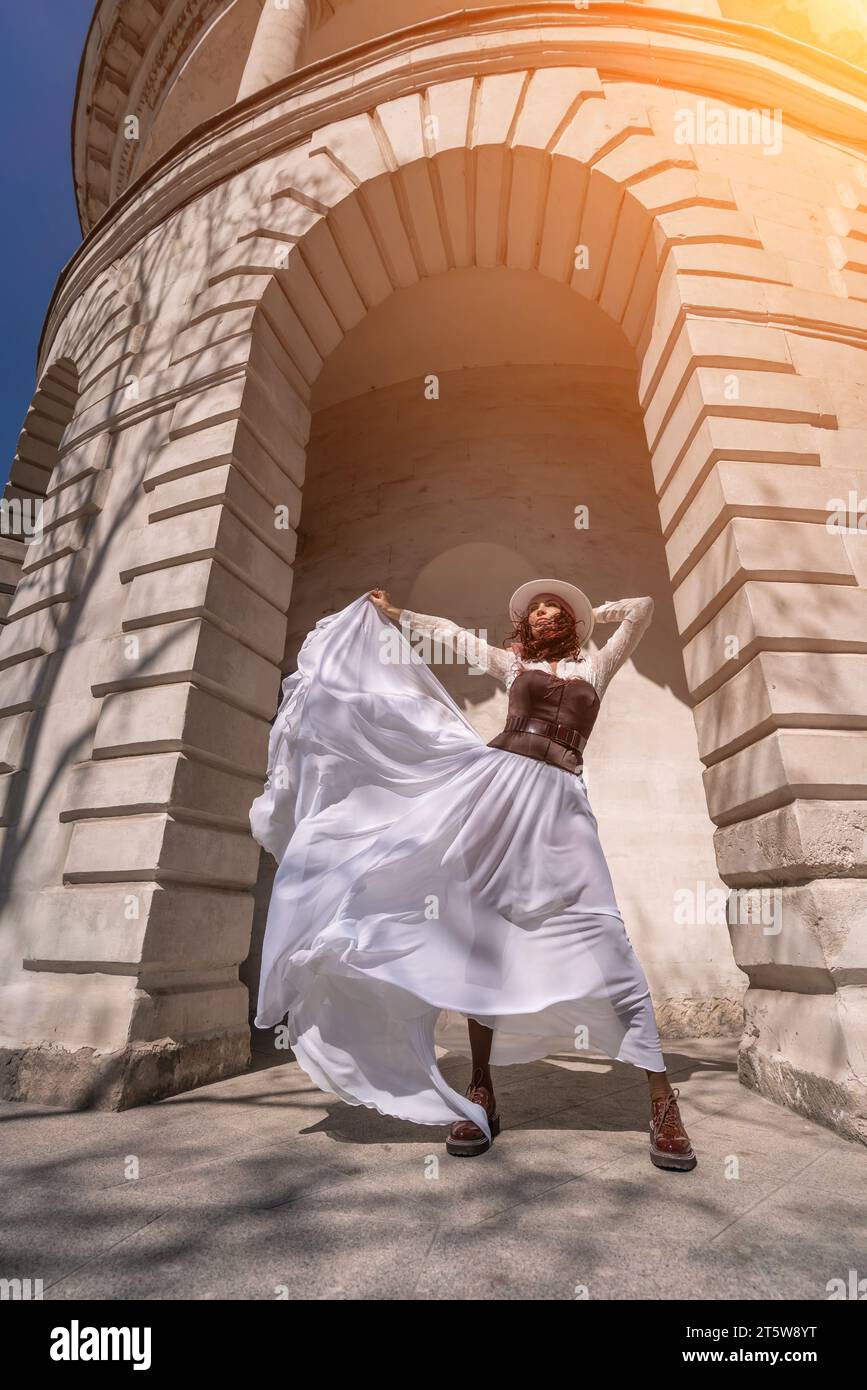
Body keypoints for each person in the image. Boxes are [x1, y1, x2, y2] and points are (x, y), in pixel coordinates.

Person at [250, 583, 697, 1172]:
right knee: (483, 939)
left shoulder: (597, 661)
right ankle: (480, 1089)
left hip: (562, 802)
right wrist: (396, 615)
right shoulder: (512, 663)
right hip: (495, 791)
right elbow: (453, 639)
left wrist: (594, 614)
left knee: (605, 932)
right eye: (535, 609)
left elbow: (641, 610)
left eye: (554, 609)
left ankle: (662, 1101)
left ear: (568, 622)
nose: (542, 613)